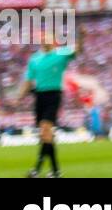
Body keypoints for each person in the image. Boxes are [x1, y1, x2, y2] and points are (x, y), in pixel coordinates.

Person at [16, 24, 81, 178]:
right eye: (43, 38)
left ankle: (37, 170)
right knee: (45, 136)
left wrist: (81, 37)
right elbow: (28, 81)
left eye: (48, 38)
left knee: (45, 131)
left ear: (53, 41)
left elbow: (77, 51)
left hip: (53, 96)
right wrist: (19, 97)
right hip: (39, 97)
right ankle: (55, 171)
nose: (45, 40)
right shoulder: (34, 59)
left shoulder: (61, 54)